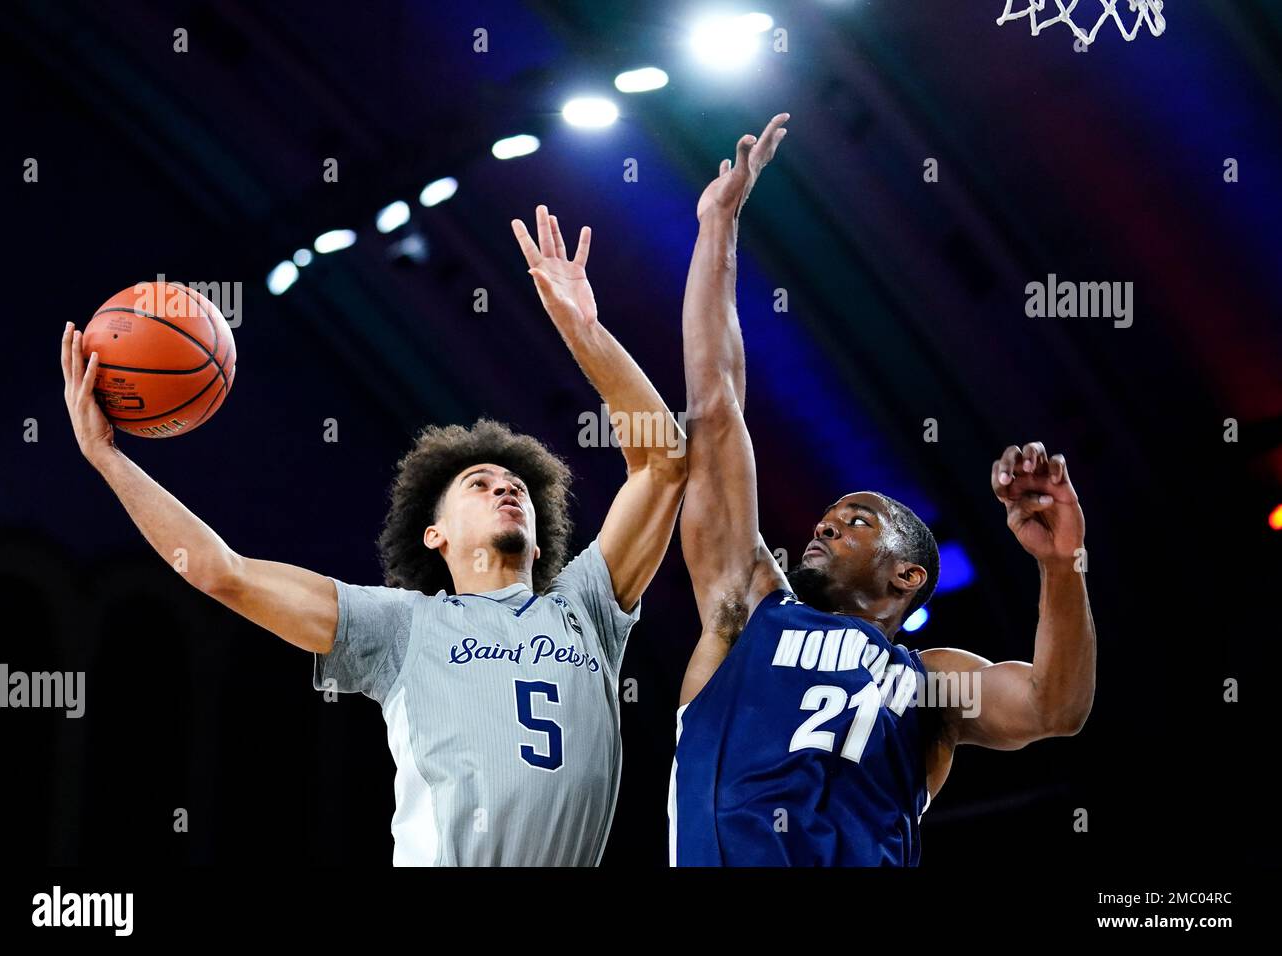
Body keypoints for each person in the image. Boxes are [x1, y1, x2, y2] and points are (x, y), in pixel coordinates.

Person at [60, 205, 686, 866]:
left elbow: (665, 462)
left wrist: (585, 332)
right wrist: (109, 459)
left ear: (538, 540)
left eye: (516, 487)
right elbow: (223, 571)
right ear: (435, 535)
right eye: (478, 482)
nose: (505, 487)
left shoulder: (586, 606)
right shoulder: (400, 626)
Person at [669, 114, 1096, 866]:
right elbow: (716, 406)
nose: (824, 529)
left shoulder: (930, 684)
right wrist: (718, 228)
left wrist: (1062, 568)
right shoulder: (745, 609)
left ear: (909, 575)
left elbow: (1053, 709)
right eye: (830, 520)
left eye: (856, 520)